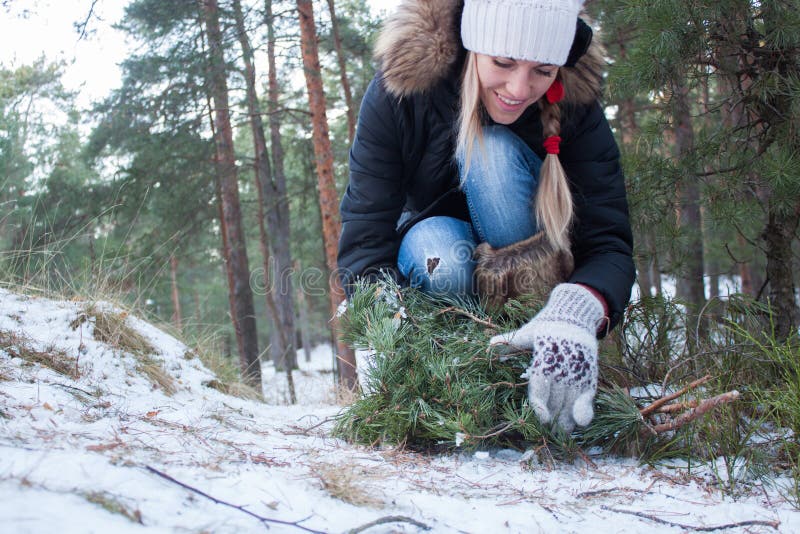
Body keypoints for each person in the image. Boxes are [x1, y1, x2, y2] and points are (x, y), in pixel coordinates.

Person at [337, 0, 635, 432]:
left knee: (491, 156)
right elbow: (365, 235)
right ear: (473, 43)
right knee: (436, 253)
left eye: (543, 70)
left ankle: (530, 358)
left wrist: (578, 310)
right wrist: (383, 328)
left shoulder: (575, 104)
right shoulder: (401, 93)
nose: (519, 87)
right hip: (441, 263)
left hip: (541, 283)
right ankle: (468, 377)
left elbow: (609, 242)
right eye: (503, 62)